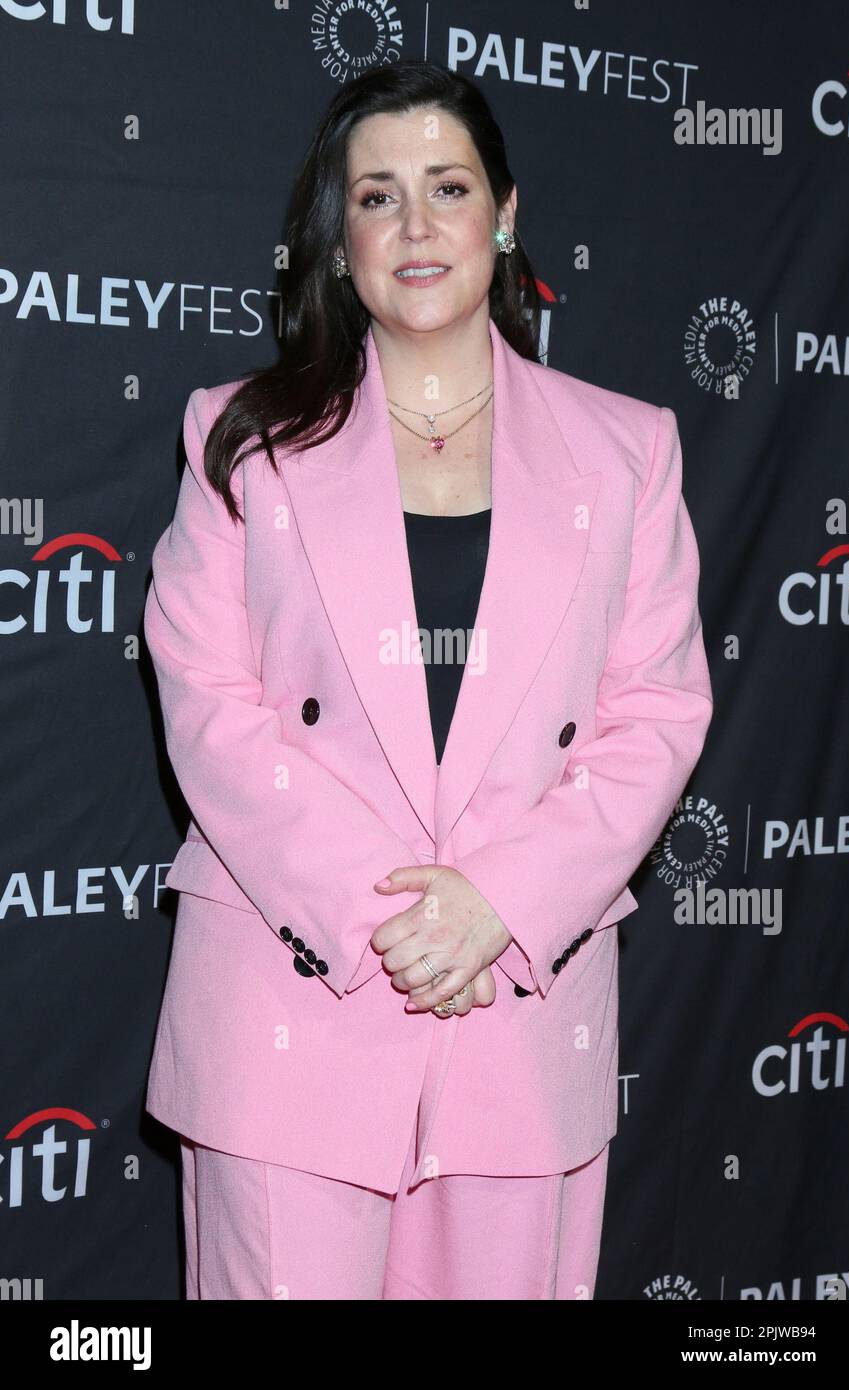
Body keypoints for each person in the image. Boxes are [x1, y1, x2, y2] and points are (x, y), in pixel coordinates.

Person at [144, 59, 713, 1301]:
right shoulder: (238, 437)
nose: (413, 227)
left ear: (504, 215)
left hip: (513, 1002)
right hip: (291, 1005)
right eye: (376, 195)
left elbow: (654, 712)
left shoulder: (626, 450)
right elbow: (207, 699)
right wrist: (384, 917)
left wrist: (494, 906)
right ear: (335, 235)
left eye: (446, 188)